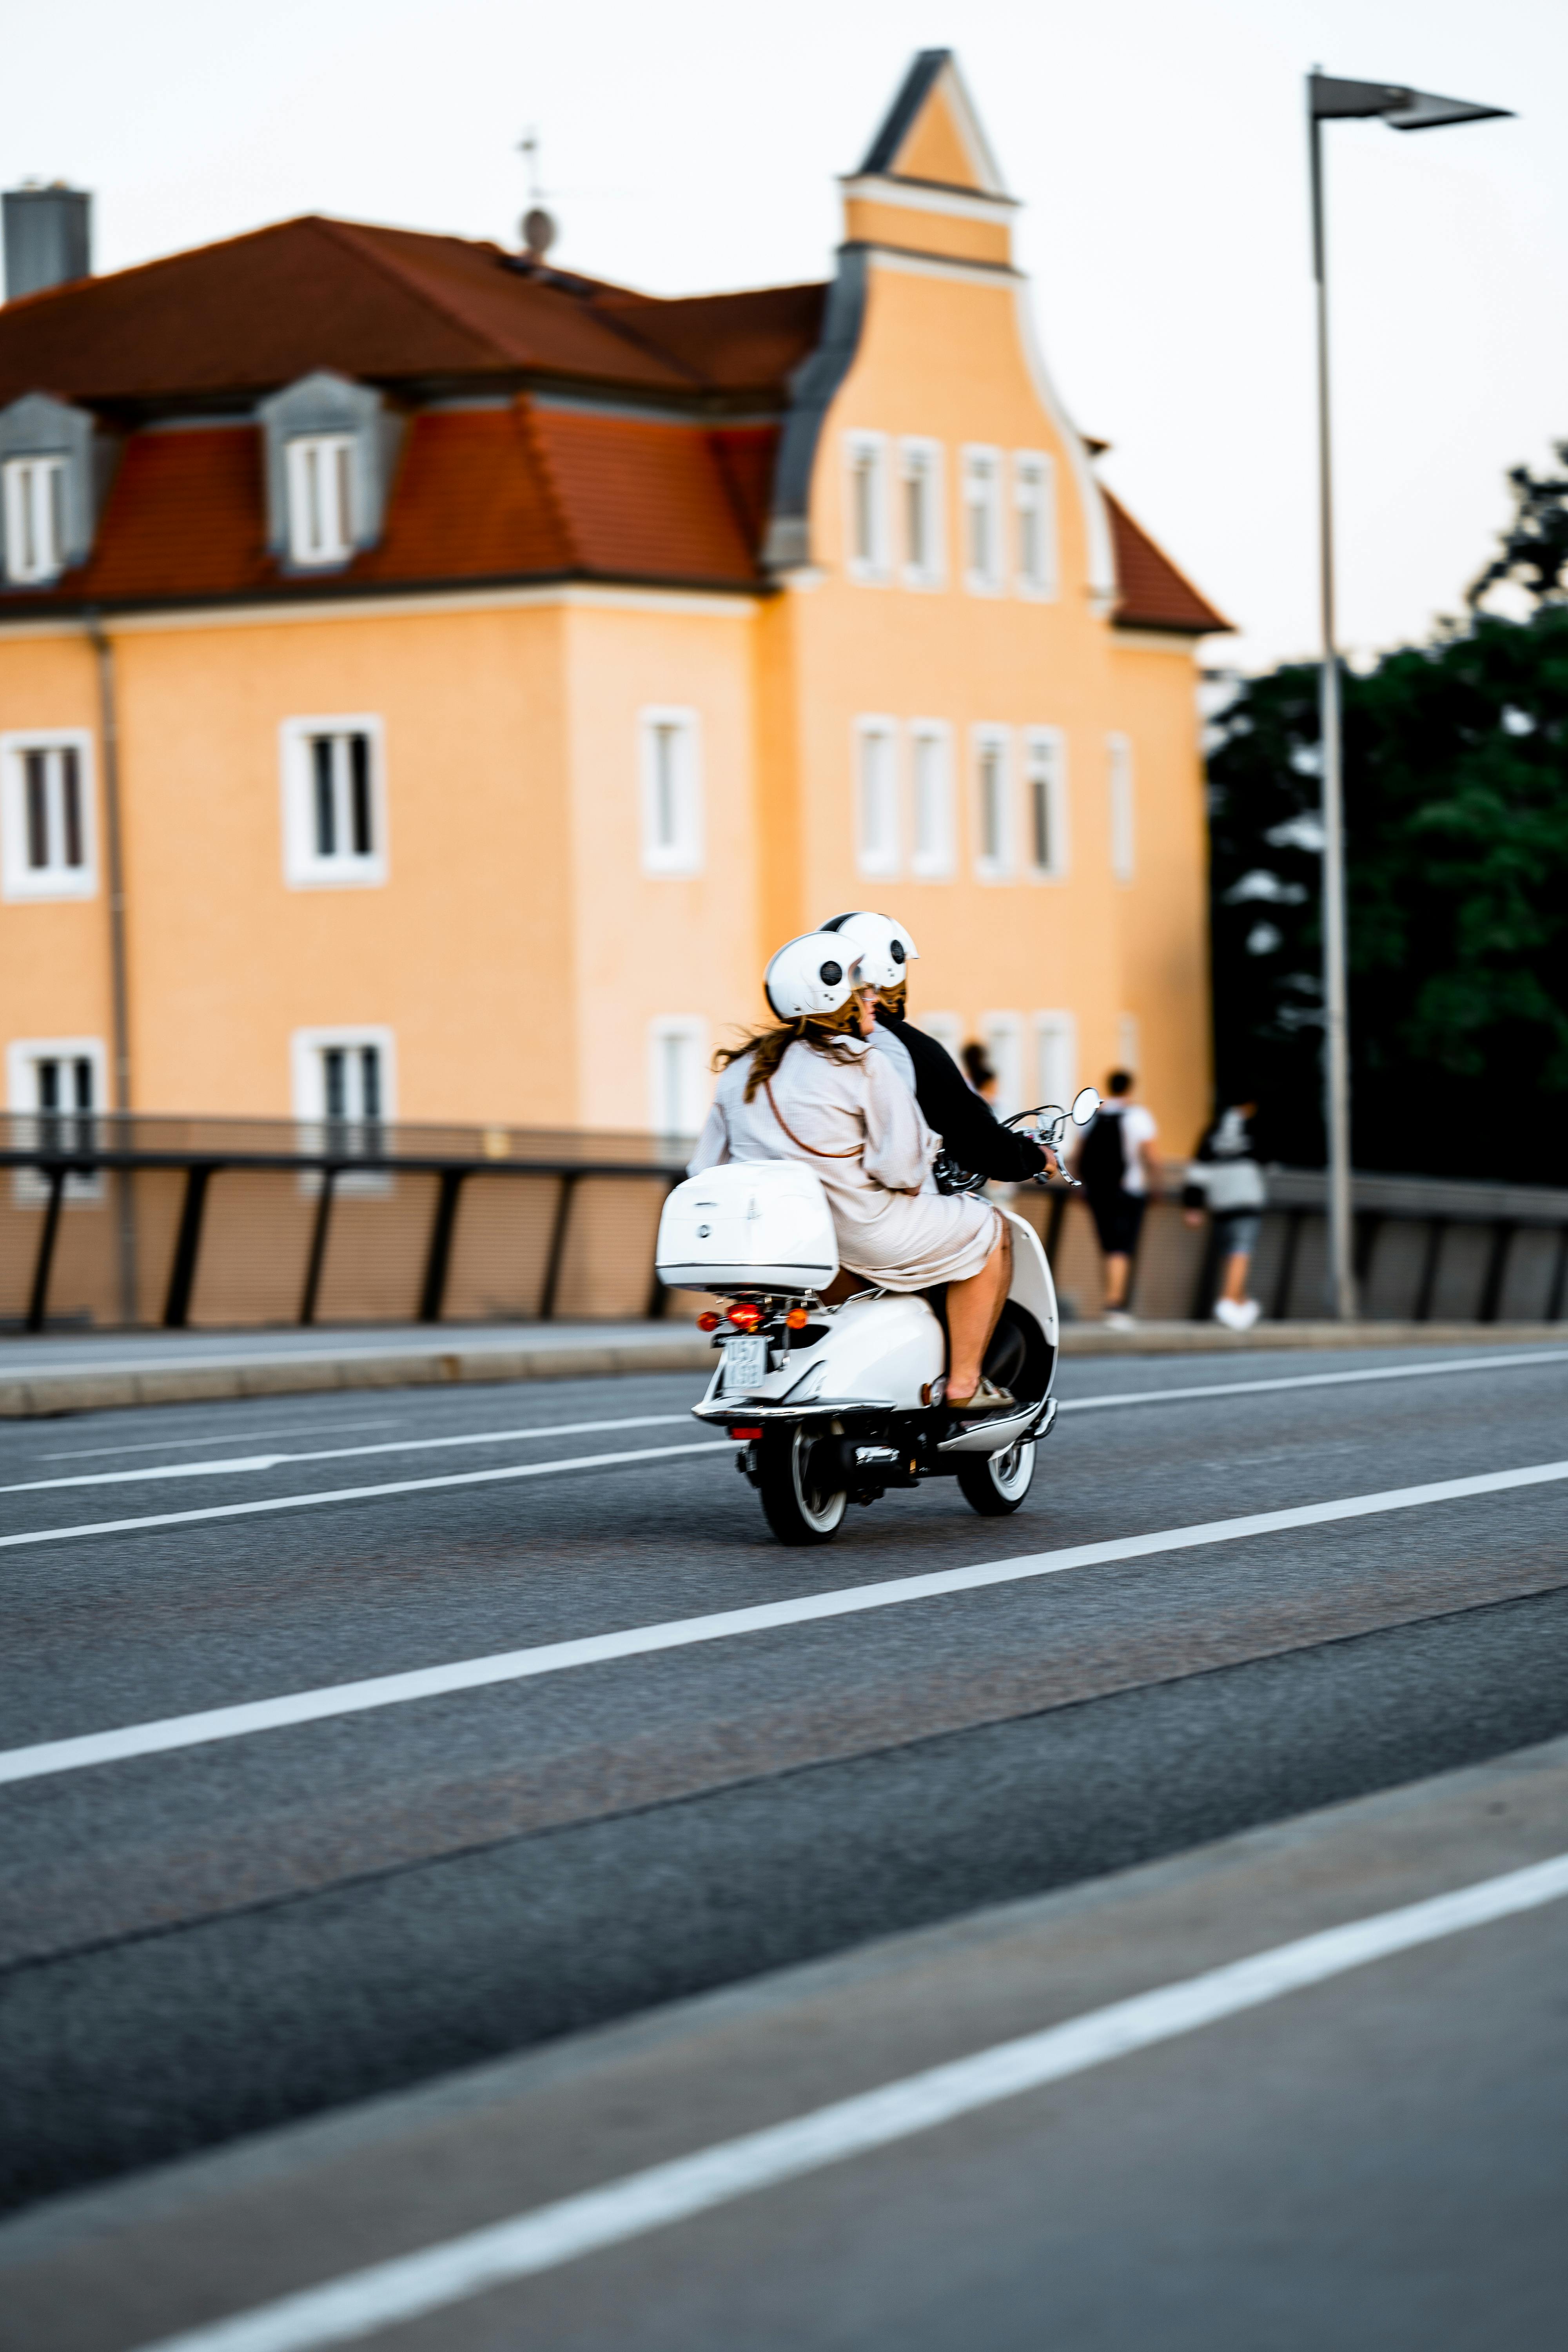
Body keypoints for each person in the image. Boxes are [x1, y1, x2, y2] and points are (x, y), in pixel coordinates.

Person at [689, 932, 1016, 1410]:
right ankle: (964, 1384)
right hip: (862, 1233)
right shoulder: (863, 1064)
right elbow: (901, 1171)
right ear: (830, 998)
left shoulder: (740, 1070)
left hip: (786, 1245)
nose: (872, 1000)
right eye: (860, 991)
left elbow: (704, 1168)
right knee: (990, 1230)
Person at [817, 912, 1054, 1188]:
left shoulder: (793, 1048)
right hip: (878, 1204)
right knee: (994, 1224)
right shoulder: (898, 1045)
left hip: (813, 1201)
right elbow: (972, 1133)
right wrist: (1034, 1159)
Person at [1074, 1069, 1160, 1328]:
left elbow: (1079, 1154)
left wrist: (1079, 1186)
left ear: (1109, 1087)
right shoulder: (1138, 1116)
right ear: (1130, 1088)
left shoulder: (1094, 1115)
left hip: (1098, 1190)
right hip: (1128, 1189)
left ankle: (1112, 1300)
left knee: (1108, 1246)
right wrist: (1158, 1185)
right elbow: (1152, 1156)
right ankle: (1115, 1305)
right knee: (1121, 1247)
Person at [1183, 1099, 1267, 1329]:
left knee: (1227, 1250)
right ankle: (1229, 1300)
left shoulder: (1213, 1130)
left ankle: (1242, 1304)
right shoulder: (1253, 1128)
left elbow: (1197, 1170)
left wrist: (1193, 1204)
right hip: (1246, 1196)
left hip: (1220, 1199)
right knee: (1241, 1249)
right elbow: (1266, 1161)